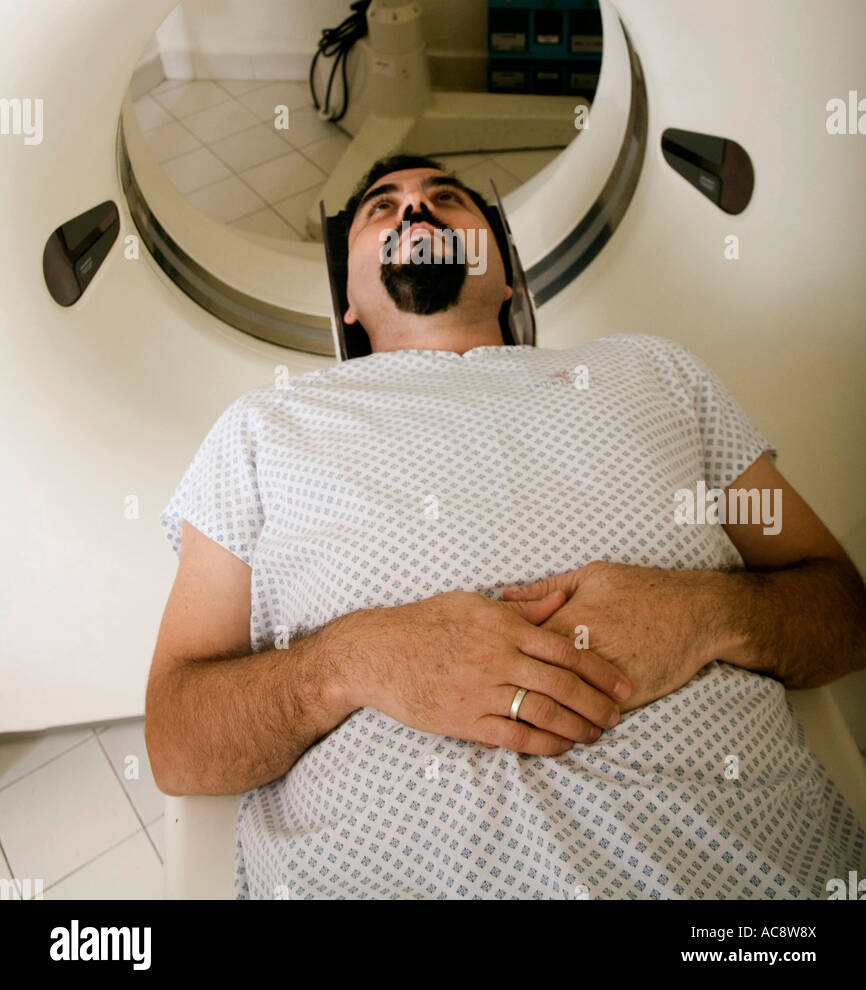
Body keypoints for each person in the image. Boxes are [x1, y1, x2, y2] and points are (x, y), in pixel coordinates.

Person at [145, 152, 866, 900]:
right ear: (348, 302)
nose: (416, 211)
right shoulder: (264, 428)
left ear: (510, 275)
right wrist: (351, 662)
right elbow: (177, 739)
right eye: (381, 209)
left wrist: (708, 614)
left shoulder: (654, 373)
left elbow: (844, 608)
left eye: (447, 199)